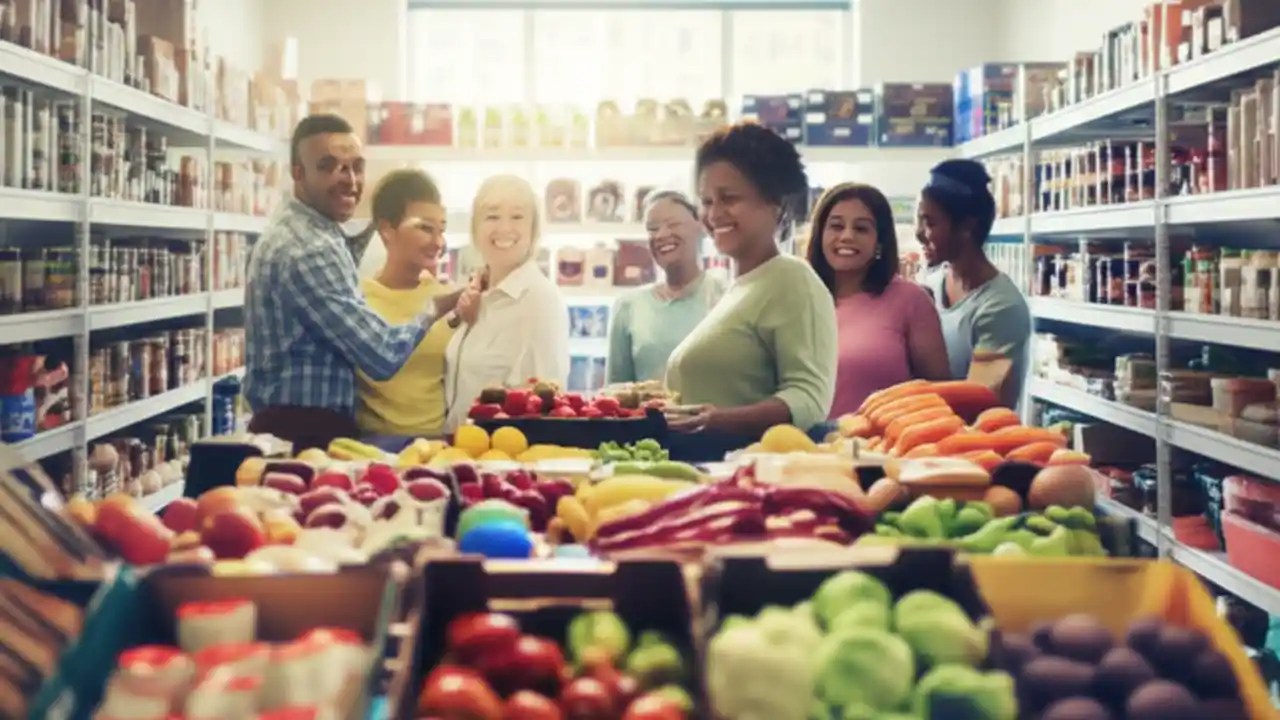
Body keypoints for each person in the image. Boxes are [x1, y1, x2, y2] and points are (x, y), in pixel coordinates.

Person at [243, 114, 462, 450]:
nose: (349, 180)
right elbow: (381, 353)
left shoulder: (310, 231)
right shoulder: (308, 249)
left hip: (296, 428)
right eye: (328, 166)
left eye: (356, 167)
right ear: (298, 173)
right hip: (303, 434)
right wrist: (437, 305)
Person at [665, 123, 837, 448]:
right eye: (706, 200)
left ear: (775, 204)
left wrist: (716, 421)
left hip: (752, 479)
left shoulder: (793, 281)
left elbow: (809, 398)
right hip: (709, 476)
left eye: (729, 198)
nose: (714, 213)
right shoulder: (738, 288)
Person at [806, 183, 951, 417]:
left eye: (861, 229)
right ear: (820, 234)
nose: (847, 236)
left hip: (884, 448)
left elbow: (941, 396)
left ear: (879, 242)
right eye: (836, 226)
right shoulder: (796, 297)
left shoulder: (910, 300)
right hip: (795, 448)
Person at [355, 169, 477, 439]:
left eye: (441, 230)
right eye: (425, 228)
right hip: (371, 449)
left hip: (440, 447)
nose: (437, 242)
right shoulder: (358, 300)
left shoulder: (450, 300)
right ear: (387, 230)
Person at [443, 174, 570, 433]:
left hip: (504, 459)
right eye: (491, 216)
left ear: (533, 229)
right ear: (475, 229)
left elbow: (546, 408)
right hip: (462, 453)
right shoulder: (479, 293)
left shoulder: (539, 300)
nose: (504, 228)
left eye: (517, 216)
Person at [917, 159, 1032, 408]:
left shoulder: (1000, 308)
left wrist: (902, 397)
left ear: (967, 226)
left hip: (968, 443)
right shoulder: (929, 285)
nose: (919, 234)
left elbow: (980, 402)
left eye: (930, 223)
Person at [607, 190, 725, 384]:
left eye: (673, 224)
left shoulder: (726, 297)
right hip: (650, 414)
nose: (661, 234)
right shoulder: (629, 306)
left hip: (714, 414)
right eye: (652, 229)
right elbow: (616, 393)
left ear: (701, 227)